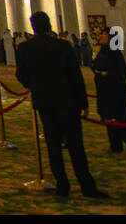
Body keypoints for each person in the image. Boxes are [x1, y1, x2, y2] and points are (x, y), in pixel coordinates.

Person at [15, 11, 106, 199]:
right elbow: (75, 77)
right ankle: (87, 186)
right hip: (68, 102)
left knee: (53, 146)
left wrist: (34, 87)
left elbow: (21, 75)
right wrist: (83, 102)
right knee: (75, 146)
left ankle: (62, 186)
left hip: (44, 102)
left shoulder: (25, 48)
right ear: (49, 26)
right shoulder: (62, 46)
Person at [91, 29, 126, 154]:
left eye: (105, 35)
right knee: (108, 118)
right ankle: (115, 145)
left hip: (115, 92)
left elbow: (102, 65)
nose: (102, 37)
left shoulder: (113, 52)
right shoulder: (104, 51)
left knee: (120, 118)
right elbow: (94, 64)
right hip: (105, 91)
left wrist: (101, 70)